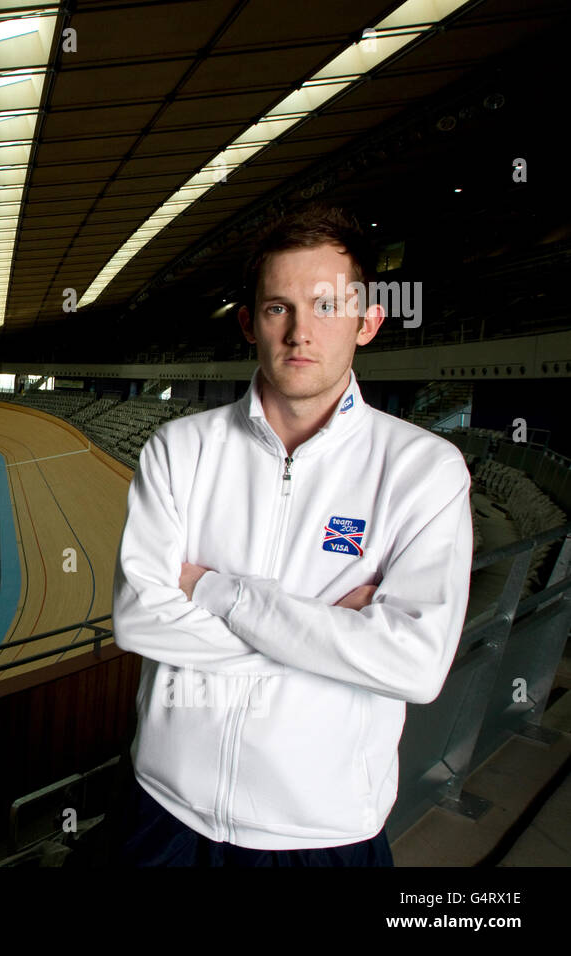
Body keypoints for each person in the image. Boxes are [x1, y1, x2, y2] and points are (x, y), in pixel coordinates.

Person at [111, 204, 473, 867]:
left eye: (327, 306)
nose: (302, 332)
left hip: (323, 838)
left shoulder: (423, 470)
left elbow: (414, 668)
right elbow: (138, 622)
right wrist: (325, 639)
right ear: (250, 323)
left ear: (368, 321)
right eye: (279, 308)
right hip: (163, 814)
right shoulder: (178, 450)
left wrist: (218, 592)